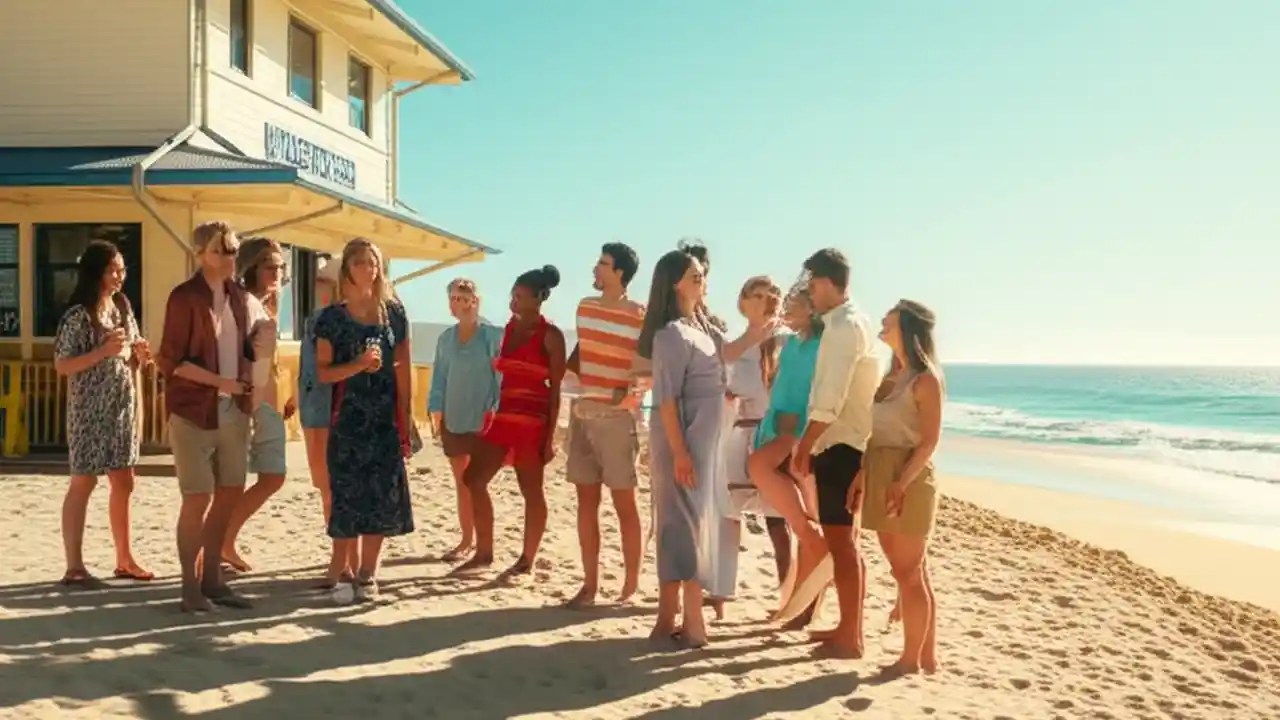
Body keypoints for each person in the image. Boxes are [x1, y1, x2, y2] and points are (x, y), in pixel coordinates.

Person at [157, 220, 258, 612]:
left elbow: (251, 346)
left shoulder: (239, 297)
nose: (229, 257)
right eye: (220, 250)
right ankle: (189, 588)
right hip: (192, 412)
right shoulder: (184, 298)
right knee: (197, 497)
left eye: (233, 249)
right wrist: (223, 383)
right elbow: (171, 361)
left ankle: (213, 579)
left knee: (230, 493)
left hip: (234, 412)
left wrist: (249, 381)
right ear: (200, 254)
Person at [789, 248, 881, 659]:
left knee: (843, 544)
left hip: (842, 445)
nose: (810, 292)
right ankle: (847, 628)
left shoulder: (844, 327)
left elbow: (831, 397)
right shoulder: (846, 323)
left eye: (811, 283)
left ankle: (851, 636)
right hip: (847, 442)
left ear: (825, 282)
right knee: (844, 542)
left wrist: (805, 444)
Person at [313, 238, 414, 600]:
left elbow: (403, 368)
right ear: (347, 270)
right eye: (360, 263)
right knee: (347, 496)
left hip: (385, 417)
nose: (368, 269)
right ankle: (345, 570)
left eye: (373, 263)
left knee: (381, 497)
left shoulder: (394, 314)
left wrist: (407, 414)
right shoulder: (332, 319)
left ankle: (368, 574)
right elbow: (323, 373)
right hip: (348, 417)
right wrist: (357, 365)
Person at [848, 300, 944, 675]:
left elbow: (929, 441)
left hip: (910, 478)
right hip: (879, 471)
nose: (881, 328)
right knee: (909, 570)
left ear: (907, 328)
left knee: (909, 571)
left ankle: (910, 660)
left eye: (888, 323)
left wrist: (901, 482)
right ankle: (927, 657)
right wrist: (862, 475)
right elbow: (871, 436)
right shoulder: (890, 378)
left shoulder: (926, 380)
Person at [54, 239, 153, 587]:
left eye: (123, 269)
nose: (120, 276)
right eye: (114, 270)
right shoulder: (79, 315)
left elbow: (129, 354)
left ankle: (124, 559)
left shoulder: (123, 307)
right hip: (88, 411)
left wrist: (139, 354)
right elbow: (63, 365)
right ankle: (74, 565)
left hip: (121, 407)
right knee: (84, 481)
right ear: (97, 272)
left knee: (124, 480)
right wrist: (102, 351)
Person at [639, 249, 725, 649]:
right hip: (682, 441)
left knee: (687, 526)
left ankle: (669, 621)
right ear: (675, 282)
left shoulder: (701, 327)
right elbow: (667, 399)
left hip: (699, 442)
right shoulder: (671, 333)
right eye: (694, 273)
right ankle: (690, 623)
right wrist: (681, 452)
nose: (701, 277)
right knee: (682, 527)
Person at [456, 266, 566, 576]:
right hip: (503, 416)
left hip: (533, 422)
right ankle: (484, 553)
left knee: (531, 490)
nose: (513, 302)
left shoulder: (552, 336)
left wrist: (550, 437)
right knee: (473, 478)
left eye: (519, 297)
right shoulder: (507, 329)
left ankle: (527, 559)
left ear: (537, 299)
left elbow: (556, 390)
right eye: (512, 296)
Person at [563, 243, 645, 608]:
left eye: (603, 264)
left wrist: (630, 397)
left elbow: (647, 366)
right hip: (582, 414)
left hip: (616, 419)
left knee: (625, 502)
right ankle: (589, 585)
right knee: (586, 502)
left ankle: (630, 586)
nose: (595, 269)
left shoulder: (640, 315)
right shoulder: (585, 307)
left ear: (620, 273)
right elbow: (580, 358)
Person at [706, 275, 790, 618]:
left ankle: (787, 597)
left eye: (769, 296)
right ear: (742, 301)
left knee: (778, 520)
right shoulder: (731, 342)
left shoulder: (785, 341)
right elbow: (719, 382)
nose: (762, 302)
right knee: (728, 515)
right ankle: (720, 593)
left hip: (771, 435)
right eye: (754, 295)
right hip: (735, 434)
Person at [747, 285, 827, 628]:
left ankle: (806, 607)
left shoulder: (822, 345)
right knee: (801, 524)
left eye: (793, 305)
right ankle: (796, 604)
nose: (786, 310)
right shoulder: (792, 343)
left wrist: (800, 426)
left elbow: (816, 388)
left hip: (800, 432)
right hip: (777, 429)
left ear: (811, 309)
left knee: (807, 521)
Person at [222, 237, 295, 572]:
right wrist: (250, 400)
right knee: (240, 479)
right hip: (250, 402)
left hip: (267, 403)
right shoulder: (243, 304)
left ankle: (224, 539)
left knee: (272, 476)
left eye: (280, 266)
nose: (276, 271)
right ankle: (222, 541)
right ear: (252, 267)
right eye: (269, 265)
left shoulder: (266, 306)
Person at [427, 277, 502, 562]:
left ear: (476, 301)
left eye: (465, 298)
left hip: (482, 419)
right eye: (455, 298)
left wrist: (496, 407)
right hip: (453, 417)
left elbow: (500, 376)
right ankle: (466, 539)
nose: (460, 303)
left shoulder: (491, 336)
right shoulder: (445, 339)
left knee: (477, 482)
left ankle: (484, 543)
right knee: (461, 481)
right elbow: (439, 377)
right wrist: (436, 409)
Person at [298, 256, 357, 586]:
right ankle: (342, 559)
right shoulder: (316, 319)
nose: (318, 286)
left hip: (334, 411)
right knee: (325, 487)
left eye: (323, 282)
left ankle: (346, 561)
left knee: (337, 488)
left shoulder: (346, 320)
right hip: (313, 410)